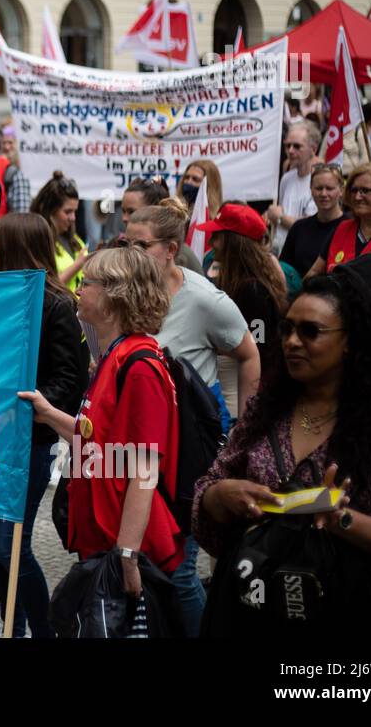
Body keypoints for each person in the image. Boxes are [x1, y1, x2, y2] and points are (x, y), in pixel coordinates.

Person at [193, 268, 371, 637]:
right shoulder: (266, 410)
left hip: (346, 615)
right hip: (253, 607)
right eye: (287, 329)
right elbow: (208, 490)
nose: (292, 341)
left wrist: (341, 519)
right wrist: (221, 495)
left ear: (350, 342)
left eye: (310, 331)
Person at [21, 248, 185, 609]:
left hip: (120, 544)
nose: (77, 290)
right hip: (102, 536)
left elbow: (144, 469)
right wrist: (47, 413)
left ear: (115, 295)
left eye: (86, 283)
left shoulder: (140, 366)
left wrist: (127, 554)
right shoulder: (116, 354)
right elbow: (96, 437)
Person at [126, 199, 261, 635]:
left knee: (179, 569)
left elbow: (247, 354)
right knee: (138, 560)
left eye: (140, 245)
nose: (130, 254)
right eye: (126, 243)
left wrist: (242, 425)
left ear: (170, 248)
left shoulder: (204, 299)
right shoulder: (123, 290)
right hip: (134, 448)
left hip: (184, 452)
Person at [0, 213, 87, 637]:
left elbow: (70, 379)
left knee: (10, 546)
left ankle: (44, 630)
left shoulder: (57, 303)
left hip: (31, 439)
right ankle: (12, 627)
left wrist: (26, 404)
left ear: (16, 246)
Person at [200, 204, 287, 375]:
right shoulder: (234, 279)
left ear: (233, 242)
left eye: (216, 236)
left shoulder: (254, 291)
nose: (211, 243)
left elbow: (258, 343)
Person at [307, 162, 371, 277]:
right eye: (354, 190)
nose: (357, 197)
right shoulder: (341, 229)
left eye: (365, 191)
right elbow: (314, 273)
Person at [279, 164, 347, 284]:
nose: (324, 194)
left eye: (329, 188)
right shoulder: (299, 228)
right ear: (311, 190)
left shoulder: (350, 228)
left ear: (341, 190)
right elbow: (284, 270)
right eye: (319, 188)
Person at [267, 120, 319, 255]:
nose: (290, 151)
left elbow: (309, 226)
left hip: (301, 253)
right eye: (287, 146)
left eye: (297, 146)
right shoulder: (286, 178)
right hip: (279, 251)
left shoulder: (319, 183)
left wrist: (279, 217)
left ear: (313, 149)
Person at [30, 171, 86, 290]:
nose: (73, 218)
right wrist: (77, 265)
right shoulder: (38, 243)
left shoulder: (74, 239)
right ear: (51, 210)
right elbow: (45, 288)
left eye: (75, 211)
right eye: (67, 212)